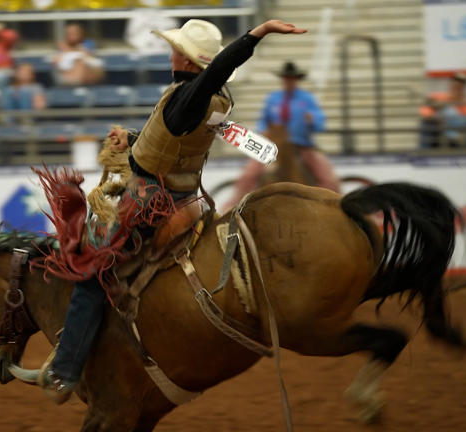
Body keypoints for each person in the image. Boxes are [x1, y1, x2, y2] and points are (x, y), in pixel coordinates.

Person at [36, 18, 307, 404]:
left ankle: (65, 370)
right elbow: (174, 141)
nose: (170, 53)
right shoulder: (214, 100)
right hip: (187, 200)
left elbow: (214, 73)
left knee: (93, 275)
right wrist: (131, 139)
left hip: (149, 204)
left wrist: (256, 35)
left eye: (176, 49)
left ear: (190, 60)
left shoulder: (192, 94)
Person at [224, 61, 337, 209]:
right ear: (283, 79)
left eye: (292, 78)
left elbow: (320, 122)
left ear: (296, 80)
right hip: (273, 148)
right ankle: (230, 208)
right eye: (286, 78)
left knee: (328, 178)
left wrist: (312, 119)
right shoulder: (273, 99)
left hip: (301, 146)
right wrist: (264, 131)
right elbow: (263, 121)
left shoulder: (306, 99)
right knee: (248, 176)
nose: (289, 81)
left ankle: (336, 207)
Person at [420, 72, 466, 148]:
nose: (457, 87)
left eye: (461, 85)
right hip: (438, 131)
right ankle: (424, 154)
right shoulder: (438, 96)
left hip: (454, 134)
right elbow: (425, 112)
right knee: (428, 124)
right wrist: (437, 118)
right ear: (451, 85)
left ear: (464, 88)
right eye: (455, 84)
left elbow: (465, 122)